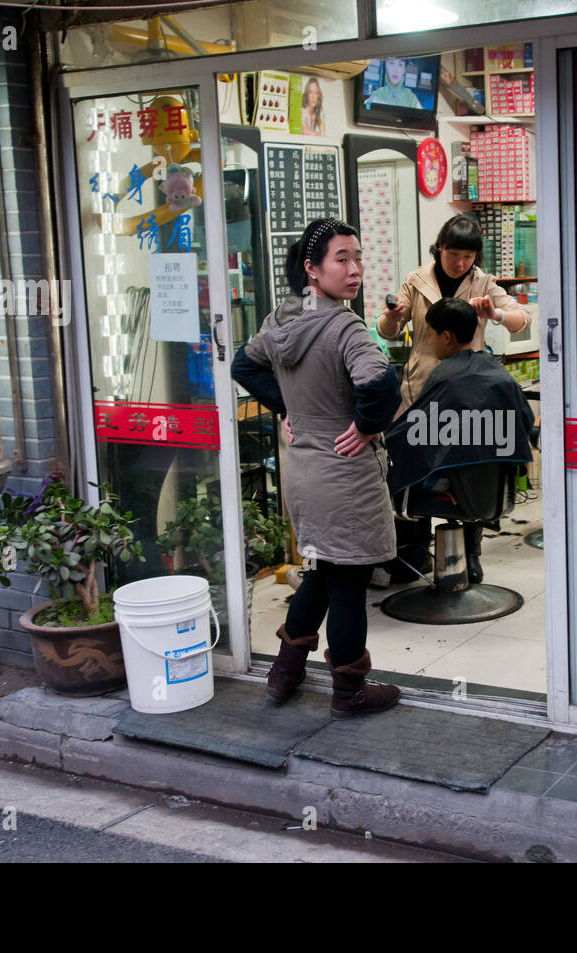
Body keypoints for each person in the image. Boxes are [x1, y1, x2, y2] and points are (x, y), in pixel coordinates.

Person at [231, 218, 402, 718]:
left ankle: (283, 674)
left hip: (302, 471)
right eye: (341, 259)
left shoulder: (281, 319)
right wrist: (367, 425)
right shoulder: (344, 325)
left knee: (323, 573)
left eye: (358, 257)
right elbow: (380, 384)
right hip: (344, 473)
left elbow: (245, 365)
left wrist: (288, 408)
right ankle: (349, 692)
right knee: (349, 582)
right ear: (312, 268)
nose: (355, 270)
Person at [376, 215, 531, 583]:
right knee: (416, 462)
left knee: (468, 466)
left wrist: (496, 313)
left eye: (468, 256)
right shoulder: (417, 281)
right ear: (439, 249)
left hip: (467, 396)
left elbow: (521, 318)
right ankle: (414, 551)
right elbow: (387, 331)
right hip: (422, 389)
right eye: (453, 254)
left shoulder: (483, 281)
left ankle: (470, 552)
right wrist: (392, 318)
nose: (460, 263)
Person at [385, 298, 535, 497]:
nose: (429, 342)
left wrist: (385, 436)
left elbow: (417, 432)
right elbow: (526, 421)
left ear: (446, 337)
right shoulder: (497, 373)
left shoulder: (445, 378)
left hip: (451, 483)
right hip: (496, 485)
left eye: (430, 335)